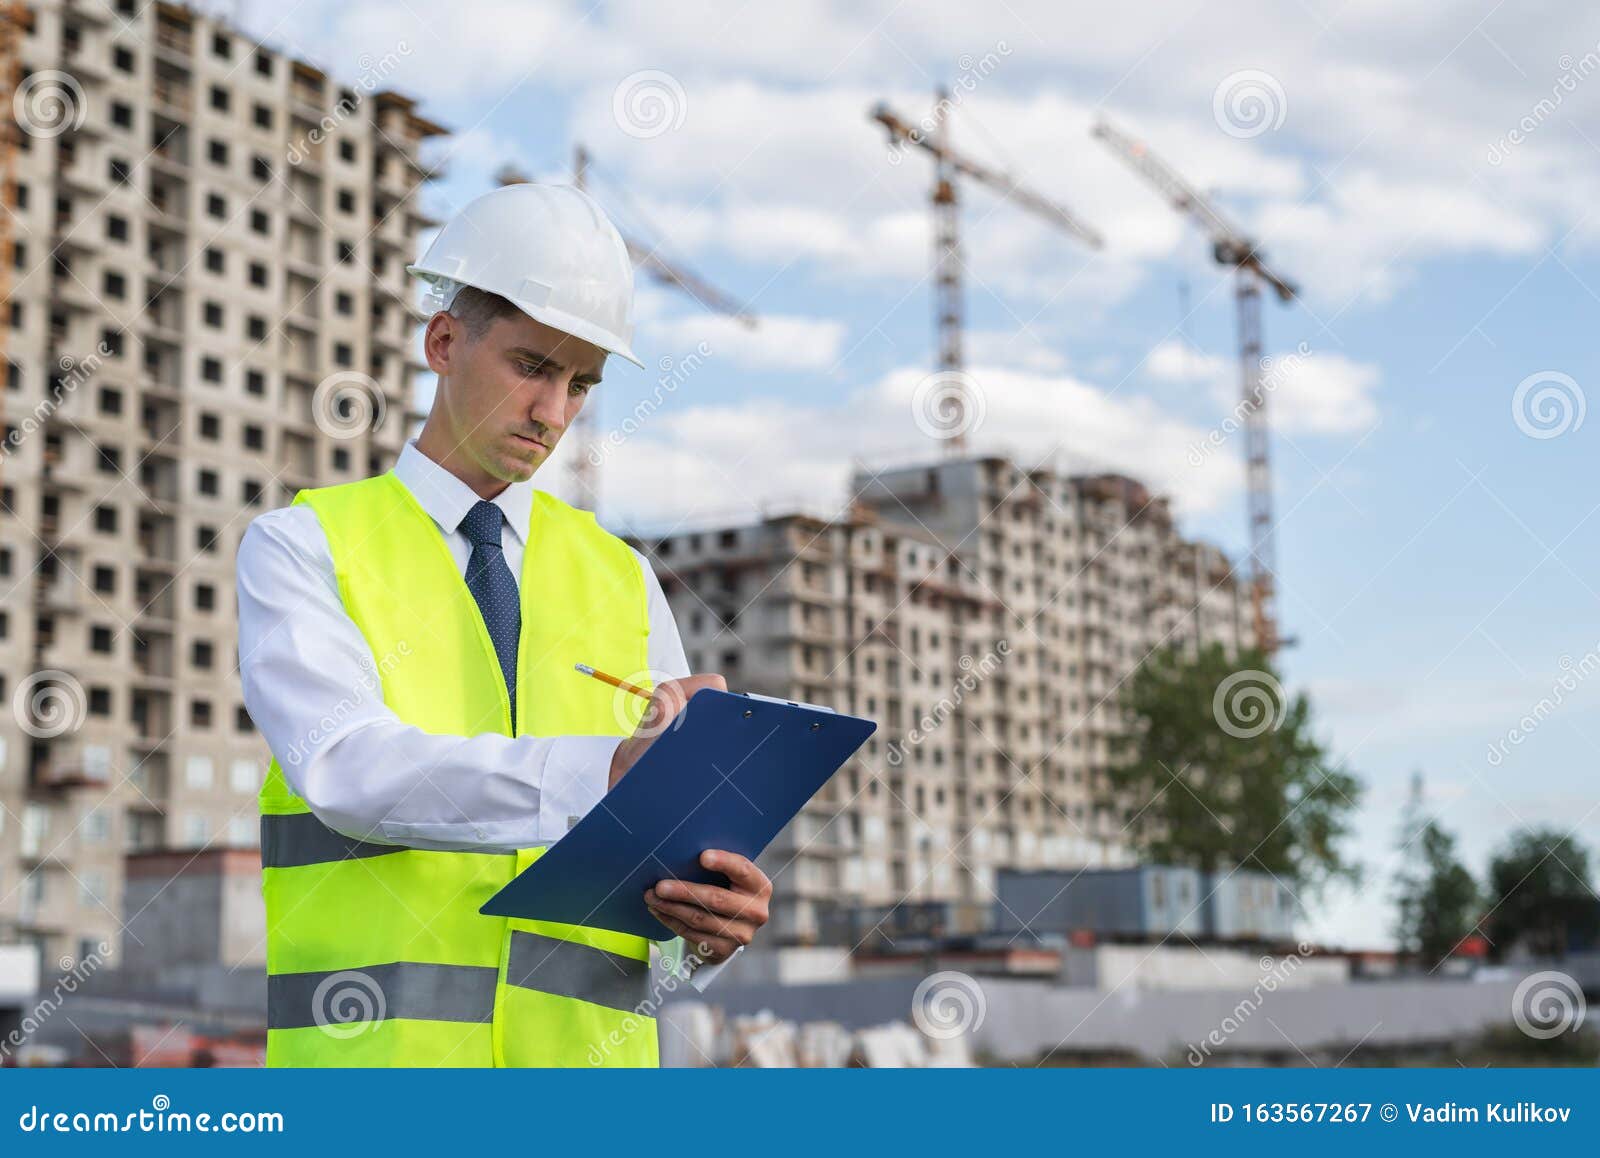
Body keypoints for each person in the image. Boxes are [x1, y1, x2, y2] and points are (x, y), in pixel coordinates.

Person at [236, 182, 771, 1067]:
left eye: (580, 384)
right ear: (443, 342)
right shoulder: (307, 547)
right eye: (532, 366)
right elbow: (344, 768)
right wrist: (598, 769)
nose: (554, 415)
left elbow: (657, 865)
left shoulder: (622, 576)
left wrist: (704, 928)